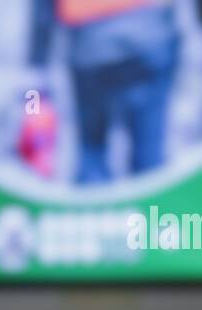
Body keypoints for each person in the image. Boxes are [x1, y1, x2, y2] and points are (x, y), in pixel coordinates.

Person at [29, 0, 181, 184]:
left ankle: (92, 204)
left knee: (93, 154)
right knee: (149, 158)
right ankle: (154, 206)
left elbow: (42, 10)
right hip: (152, 37)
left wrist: (37, 66)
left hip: (91, 46)